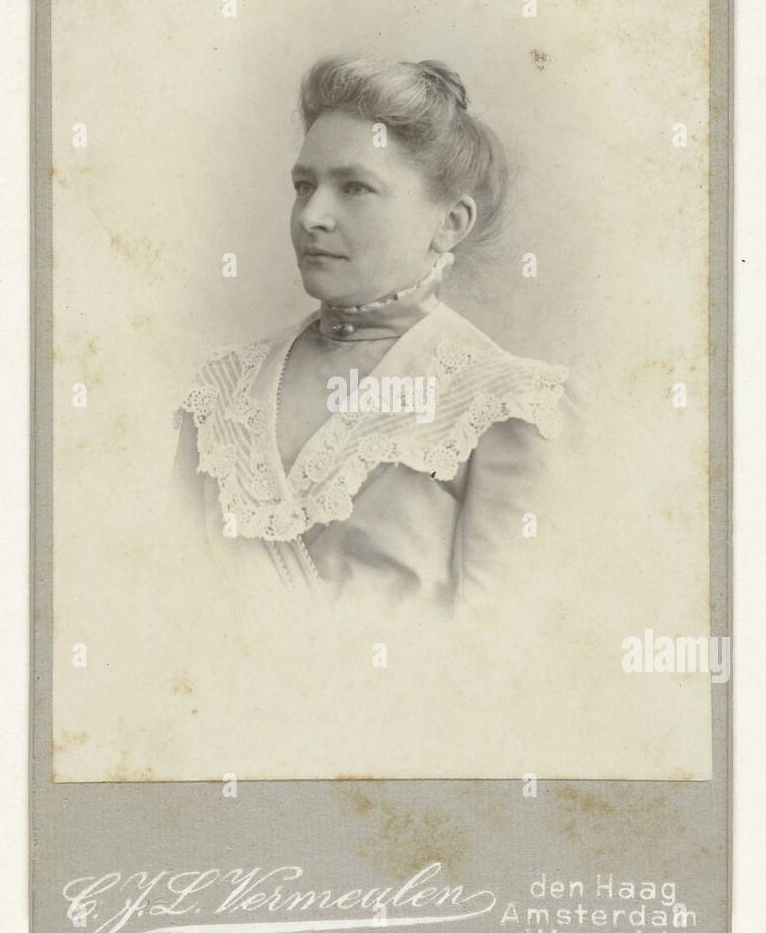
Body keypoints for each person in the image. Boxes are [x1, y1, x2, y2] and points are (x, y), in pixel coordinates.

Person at [173, 55, 573, 613]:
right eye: (303, 185)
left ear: (450, 223)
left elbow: (499, 649)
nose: (313, 215)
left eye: (355, 188)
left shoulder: (504, 405)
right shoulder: (221, 389)